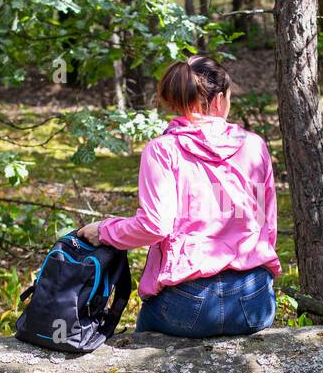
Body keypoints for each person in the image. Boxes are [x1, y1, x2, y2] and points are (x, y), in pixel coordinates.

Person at [77, 54, 280, 337]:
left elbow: (154, 225)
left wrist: (103, 230)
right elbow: (266, 225)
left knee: (142, 340)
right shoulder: (254, 146)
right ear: (220, 100)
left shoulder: (162, 151)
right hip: (254, 300)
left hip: (189, 304)